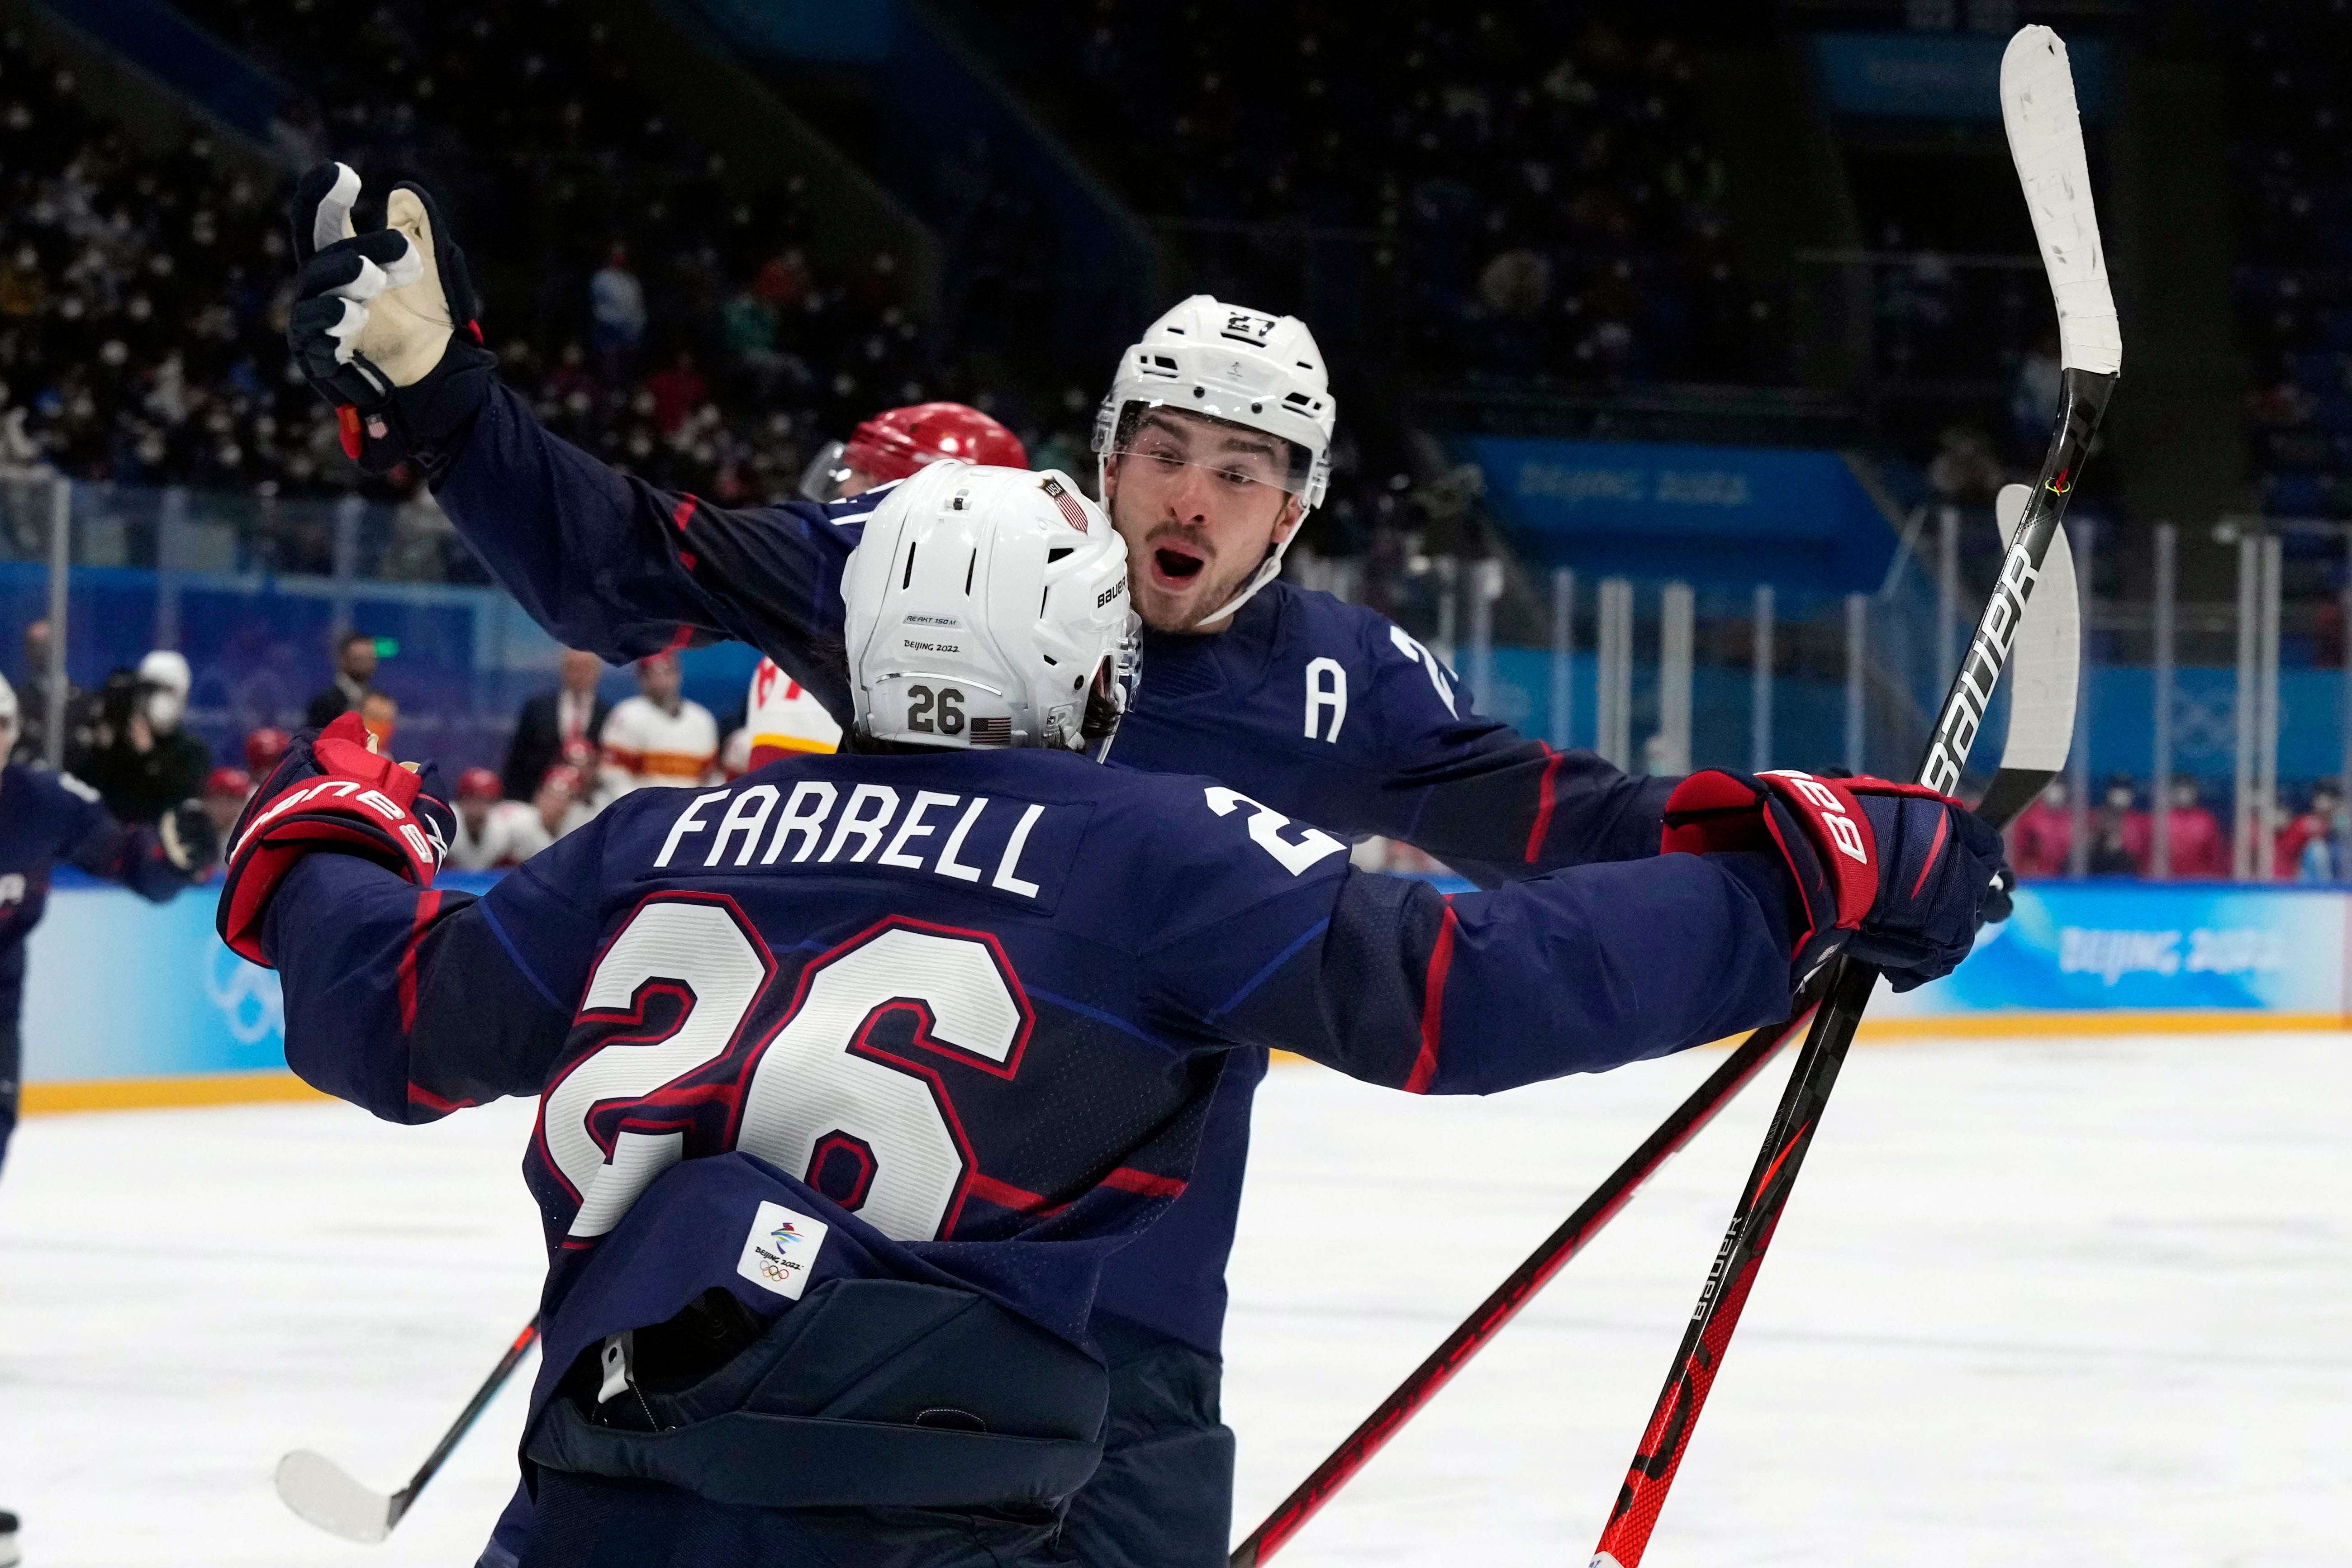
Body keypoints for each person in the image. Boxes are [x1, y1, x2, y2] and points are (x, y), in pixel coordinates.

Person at [279, 168, 2015, 1566]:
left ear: (1295, 506)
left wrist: (1770, 824)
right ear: (1100, 455)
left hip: (1131, 1309)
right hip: (839, 1269)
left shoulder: (1342, 682)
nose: (1186, 498)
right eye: (1162, 451)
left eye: (1239, 472)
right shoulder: (948, 566)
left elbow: (1567, 823)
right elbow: (621, 567)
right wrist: (446, 399)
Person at [76, 651, 211, 826]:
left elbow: (179, 805)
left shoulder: (192, 750)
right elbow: (91, 797)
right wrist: (104, 749)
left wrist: (149, 756)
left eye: (167, 691)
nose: (158, 700)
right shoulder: (119, 747)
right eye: (150, 690)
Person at [599, 653, 718, 797]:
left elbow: (710, 778)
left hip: (688, 811)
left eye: (668, 672)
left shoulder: (702, 720)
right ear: (641, 677)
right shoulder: (626, 715)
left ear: (678, 674)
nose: (661, 681)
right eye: (653, 674)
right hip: (644, 811)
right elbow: (614, 778)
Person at [504, 650, 611, 803]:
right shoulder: (538, 709)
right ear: (563, 670)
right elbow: (518, 759)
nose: (580, 674)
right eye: (574, 667)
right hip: (537, 801)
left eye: (586, 668)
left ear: (597, 673)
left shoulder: (608, 715)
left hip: (588, 806)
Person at [304, 630, 379, 728]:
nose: (365, 665)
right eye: (358, 659)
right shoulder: (325, 703)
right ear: (342, 660)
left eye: (369, 659)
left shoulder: (375, 700)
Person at [2160, 778, 2230, 878]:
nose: (2183, 796)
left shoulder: (2205, 820)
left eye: (2187, 792)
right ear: (2171, 794)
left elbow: (2216, 854)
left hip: (2200, 882)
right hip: (2168, 883)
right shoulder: (2162, 820)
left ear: (2195, 793)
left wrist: (2215, 878)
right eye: (2179, 792)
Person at [2008, 777, 2072, 878]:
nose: (2056, 793)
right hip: (2033, 876)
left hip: (2061, 876)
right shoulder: (2030, 816)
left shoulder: (2069, 817)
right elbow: (2022, 848)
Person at [445, 766, 507, 870]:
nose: (480, 808)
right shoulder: (443, 821)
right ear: (461, 800)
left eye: (488, 801)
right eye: (474, 800)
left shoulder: (504, 827)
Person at [2086, 774, 2148, 876]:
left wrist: (2123, 847)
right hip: (2097, 874)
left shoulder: (2140, 821)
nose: (2121, 794)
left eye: (2125, 790)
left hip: (2130, 876)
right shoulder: (2096, 817)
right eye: (2117, 789)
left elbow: (2143, 854)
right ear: (2108, 793)